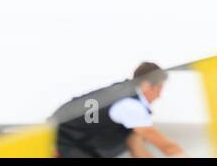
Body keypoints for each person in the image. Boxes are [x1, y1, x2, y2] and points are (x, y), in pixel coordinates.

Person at [53, 62, 183, 158]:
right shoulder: (130, 105)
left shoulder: (127, 101)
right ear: (147, 86)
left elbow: (136, 147)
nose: (159, 95)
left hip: (73, 143)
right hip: (59, 142)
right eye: (159, 88)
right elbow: (168, 147)